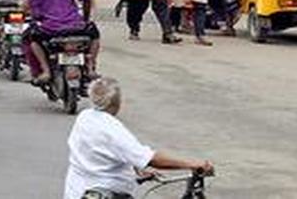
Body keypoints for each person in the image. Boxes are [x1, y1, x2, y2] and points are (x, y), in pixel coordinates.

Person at [65, 77, 214, 199]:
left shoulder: (85, 117)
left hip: (76, 191)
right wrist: (193, 164)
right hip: (105, 192)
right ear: (117, 102)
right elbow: (152, 159)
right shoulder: (113, 130)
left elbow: (108, 151)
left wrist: (136, 167)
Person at [24, 0, 100, 84]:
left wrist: (40, 19)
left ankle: (45, 70)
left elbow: (36, 13)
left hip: (51, 29)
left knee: (33, 40)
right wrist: (85, 19)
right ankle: (90, 66)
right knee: (94, 35)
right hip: (75, 25)